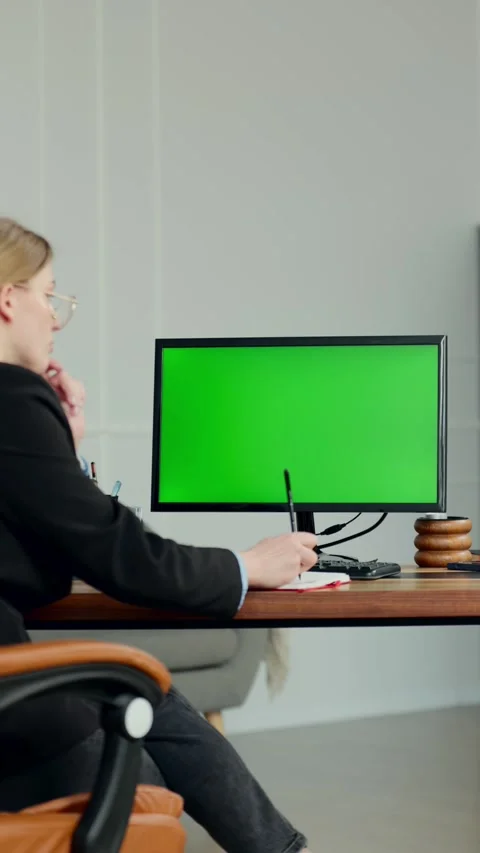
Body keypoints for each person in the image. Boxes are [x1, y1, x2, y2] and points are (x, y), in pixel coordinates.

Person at [0, 217, 316, 853]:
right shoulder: (10, 397)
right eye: (50, 296)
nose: (56, 319)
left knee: (153, 693)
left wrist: (67, 437)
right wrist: (246, 565)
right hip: (13, 710)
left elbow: (42, 535)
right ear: (8, 300)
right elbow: (118, 554)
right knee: (144, 784)